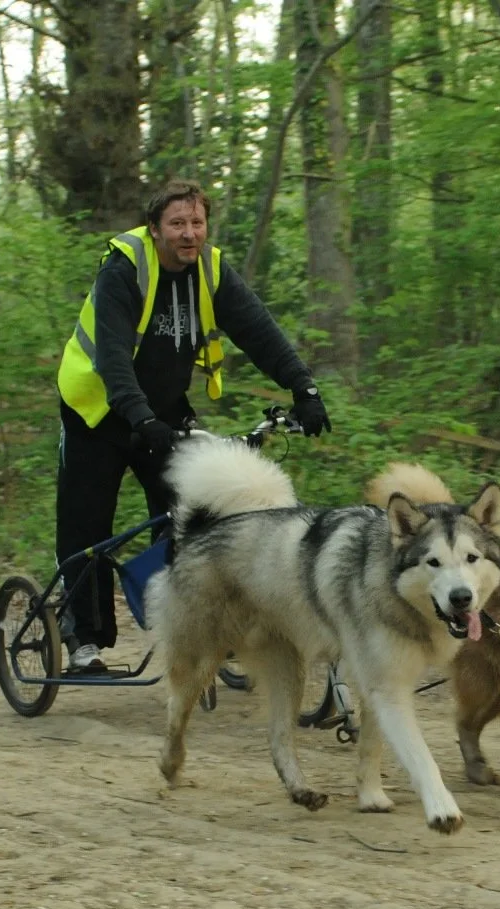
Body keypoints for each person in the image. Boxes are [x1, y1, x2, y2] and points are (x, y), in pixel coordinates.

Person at [54, 179, 330, 673]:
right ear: (155, 229)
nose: (189, 234)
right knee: (88, 525)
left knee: (197, 517)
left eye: (196, 223)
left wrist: (303, 389)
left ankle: (200, 624)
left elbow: (259, 331)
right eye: (177, 224)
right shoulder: (124, 271)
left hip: (162, 410)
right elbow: (114, 359)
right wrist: (139, 418)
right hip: (96, 410)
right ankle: (84, 640)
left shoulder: (210, 269)